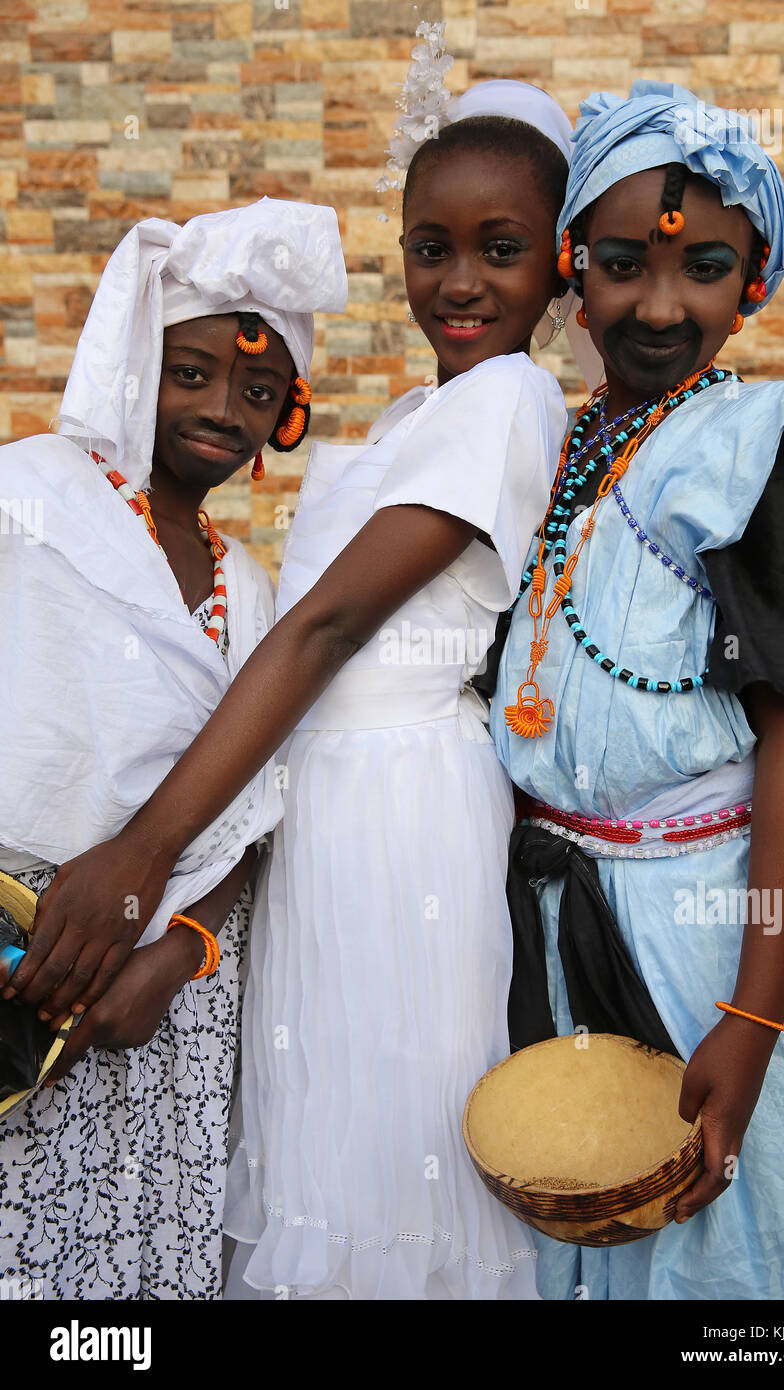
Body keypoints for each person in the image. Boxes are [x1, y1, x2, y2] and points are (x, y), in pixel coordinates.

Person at [4, 57, 576, 1296]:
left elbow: (320, 634)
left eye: (502, 248)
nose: (461, 280)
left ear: (558, 266)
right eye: (431, 246)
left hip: (394, 819)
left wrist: (143, 856)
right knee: (302, 1142)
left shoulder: (513, 402)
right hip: (300, 817)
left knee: (381, 1150)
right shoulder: (415, 421)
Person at [488, 81, 784, 1300]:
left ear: (751, 282)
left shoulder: (758, 447)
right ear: (571, 270)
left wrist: (751, 1021)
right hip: (563, 922)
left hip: (719, 935)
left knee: (730, 1253)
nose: (658, 305)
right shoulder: (554, 446)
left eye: (705, 267)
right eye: (618, 264)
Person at [0, 197, 347, 1299]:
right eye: (189, 373)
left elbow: (252, 805)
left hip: (165, 996)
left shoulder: (256, 593)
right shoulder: (31, 498)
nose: (220, 409)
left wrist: (180, 949)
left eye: (258, 392)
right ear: (131, 366)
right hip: (23, 948)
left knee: (138, 1255)